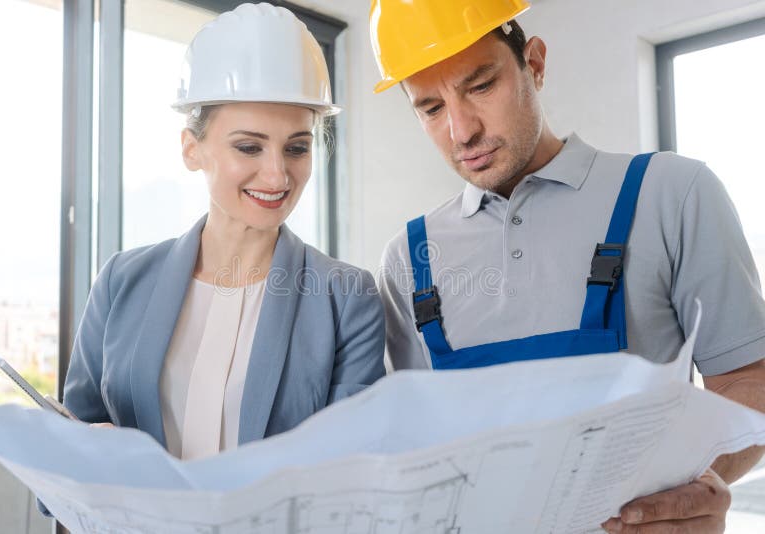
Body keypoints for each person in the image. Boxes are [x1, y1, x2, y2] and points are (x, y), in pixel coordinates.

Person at [370, 1, 765, 532]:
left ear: (533, 63)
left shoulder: (672, 194)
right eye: (431, 108)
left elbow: (748, 381)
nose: (461, 132)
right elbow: (418, 446)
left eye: (481, 85)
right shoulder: (407, 259)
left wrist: (686, 494)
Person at [62, 3, 385, 461]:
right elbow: (67, 448)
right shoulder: (121, 281)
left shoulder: (347, 298)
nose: (277, 176)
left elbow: (356, 471)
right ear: (192, 150)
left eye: (296, 148)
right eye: (248, 147)